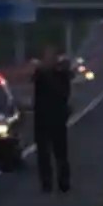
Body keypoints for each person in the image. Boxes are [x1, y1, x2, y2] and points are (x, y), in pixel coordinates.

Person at [30, 45, 73, 193]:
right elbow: (34, 80)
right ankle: (46, 183)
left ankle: (63, 181)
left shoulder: (61, 73)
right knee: (43, 153)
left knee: (60, 153)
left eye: (50, 56)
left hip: (57, 118)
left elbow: (63, 92)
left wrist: (48, 70)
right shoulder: (40, 74)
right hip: (41, 118)